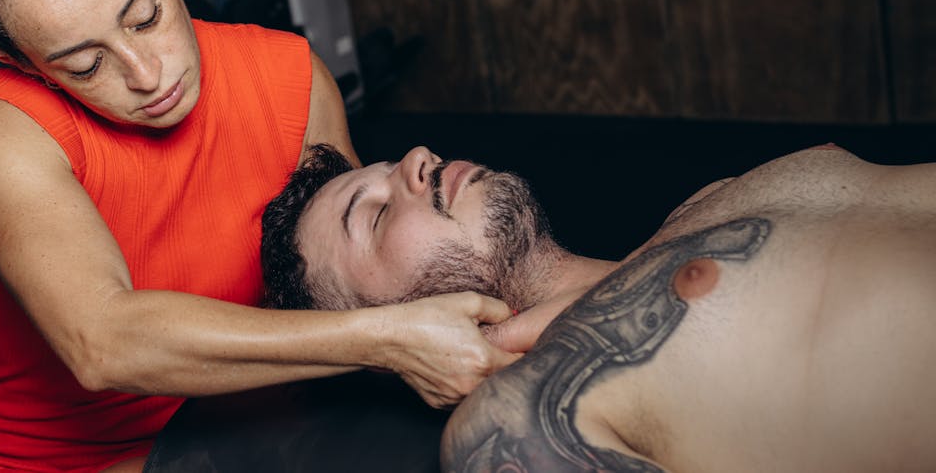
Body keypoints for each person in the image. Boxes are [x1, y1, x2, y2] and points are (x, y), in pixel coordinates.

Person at [0, 0, 518, 470]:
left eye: (145, 16)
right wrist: (391, 342)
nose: (147, 75)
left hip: (239, 442)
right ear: (23, 63)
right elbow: (101, 344)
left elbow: (351, 287)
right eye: (87, 65)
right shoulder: (0, 127)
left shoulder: (292, 78)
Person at [258, 142, 936, 472]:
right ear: (385, 335)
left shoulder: (706, 201)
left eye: (386, 170)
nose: (416, 157)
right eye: (373, 217)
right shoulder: (521, 425)